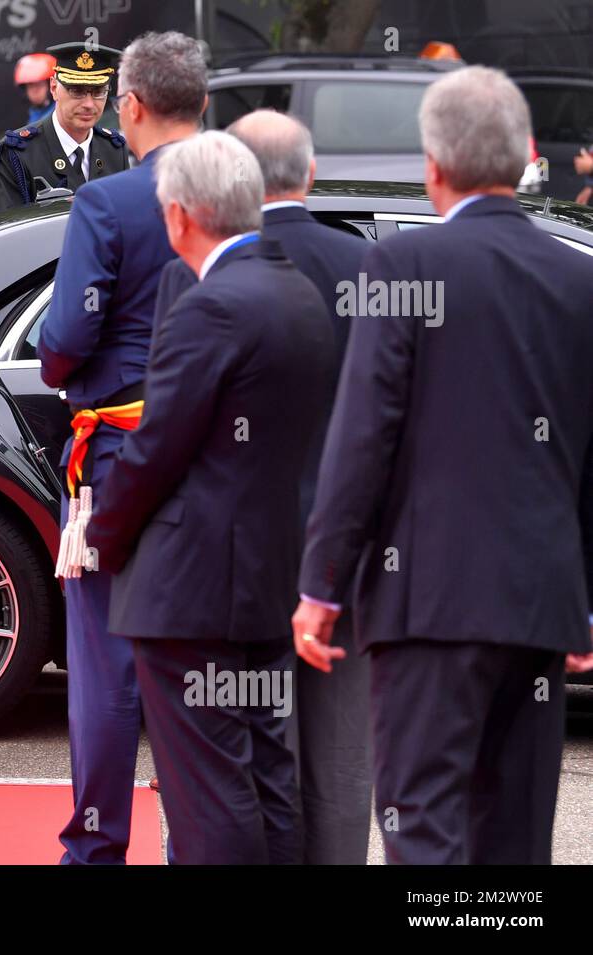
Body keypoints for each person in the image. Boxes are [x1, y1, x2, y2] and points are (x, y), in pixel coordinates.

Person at [292, 66, 593, 865]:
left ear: (432, 165)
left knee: (423, 823)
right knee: (515, 835)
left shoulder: (403, 269)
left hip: (428, 599)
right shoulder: (581, 277)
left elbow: (363, 439)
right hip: (539, 598)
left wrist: (322, 583)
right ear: (529, 155)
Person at [85, 131, 334, 864]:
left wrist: (104, 534)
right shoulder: (297, 290)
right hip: (266, 571)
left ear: (182, 215)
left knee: (209, 789)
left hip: (194, 585)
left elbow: (157, 445)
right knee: (265, 773)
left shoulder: (212, 304)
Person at [36, 31, 205, 865]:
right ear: (204, 106)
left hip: (119, 454)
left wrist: (70, 369)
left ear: (128, 106)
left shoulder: (107, 202)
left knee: (107, 666)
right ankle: (200, 839)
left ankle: (97, 849)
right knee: (202, 664)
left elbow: (63, 338)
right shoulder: (239, 193)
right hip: (221, 456)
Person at [227, 108, 372, 865]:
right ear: (310, 176)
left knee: (251, 747)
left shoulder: (215, 267)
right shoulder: (370, 268)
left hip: (243, 545)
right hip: (348, 545)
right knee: (344, 753)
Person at [0, 42, 129, 214]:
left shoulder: (114, 149)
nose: (89, 104)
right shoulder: (16, 155)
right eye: (77, 91)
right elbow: (7, 235)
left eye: (99, 91)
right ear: (54, 88)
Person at [14, 52, 55, 125]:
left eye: (39, 85)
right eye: (30, 86)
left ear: (51, 85)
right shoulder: (34, 113)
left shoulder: (57, 115)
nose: (34, 91)